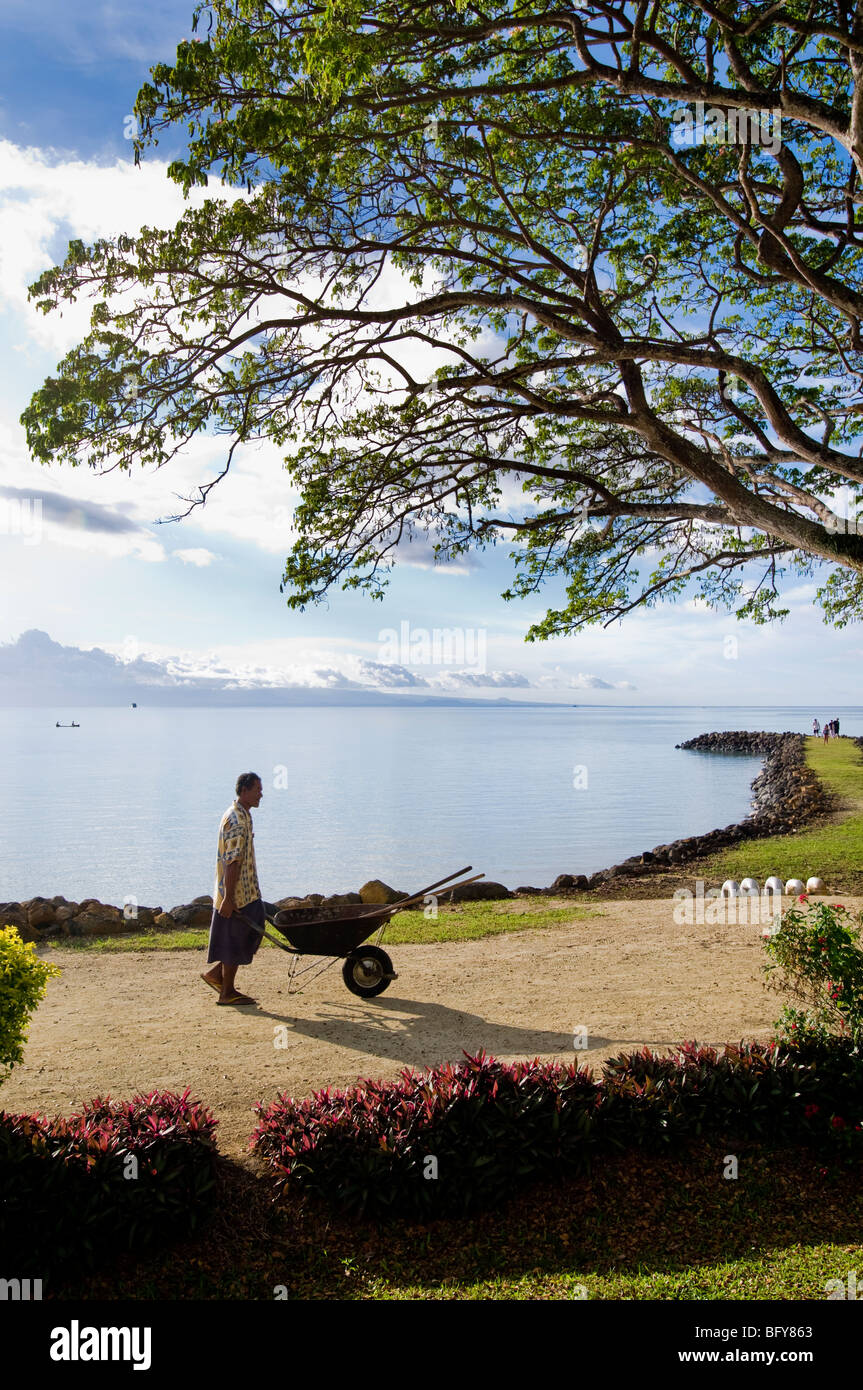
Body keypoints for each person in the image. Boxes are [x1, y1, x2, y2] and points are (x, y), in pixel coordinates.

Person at [201, 772, 266, 1006]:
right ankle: (226, 992)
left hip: (249, 891)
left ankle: (217, 976)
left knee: (251, 932)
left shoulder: (244, 815)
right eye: (258, 789)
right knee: (235, 940)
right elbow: (232, 861)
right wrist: (228, 898)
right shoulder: (236, 821)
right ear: (245, 790)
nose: (261, 794)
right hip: (237, 895)